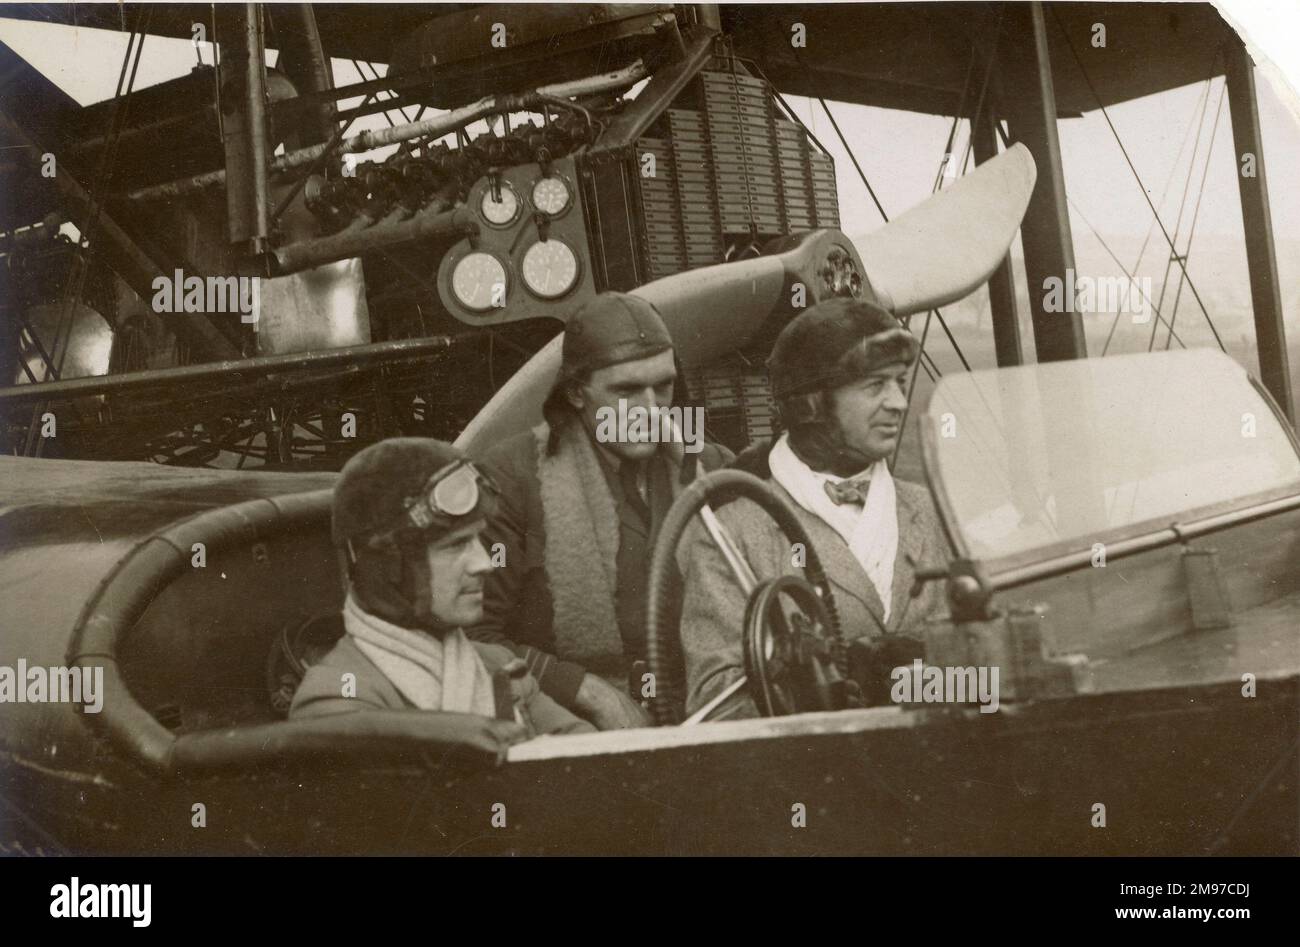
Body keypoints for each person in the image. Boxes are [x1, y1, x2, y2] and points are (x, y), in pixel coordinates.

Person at [468, 292, 732, 729]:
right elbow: (471, 636)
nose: (650, 410)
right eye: (626, 390)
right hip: (572, 728)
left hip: (708, 711)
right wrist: (584, 690)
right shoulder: (513, 478)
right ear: (575, 392)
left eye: (662, 387)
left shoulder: (712, 467)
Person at [678, 298, 951, 719]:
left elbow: (987, 669)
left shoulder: (928, 508)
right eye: (875, 386)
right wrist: (800, 694)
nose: (898, 402)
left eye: (899, 382)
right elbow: (713, 704)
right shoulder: (732, 530)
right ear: (812, 404)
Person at [290, 438, 594, 738]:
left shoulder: (497, 663)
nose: (484, 563)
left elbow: (594, 758)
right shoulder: (339, 699)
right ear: (389, 566)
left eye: (478, 539)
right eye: (455, 545)